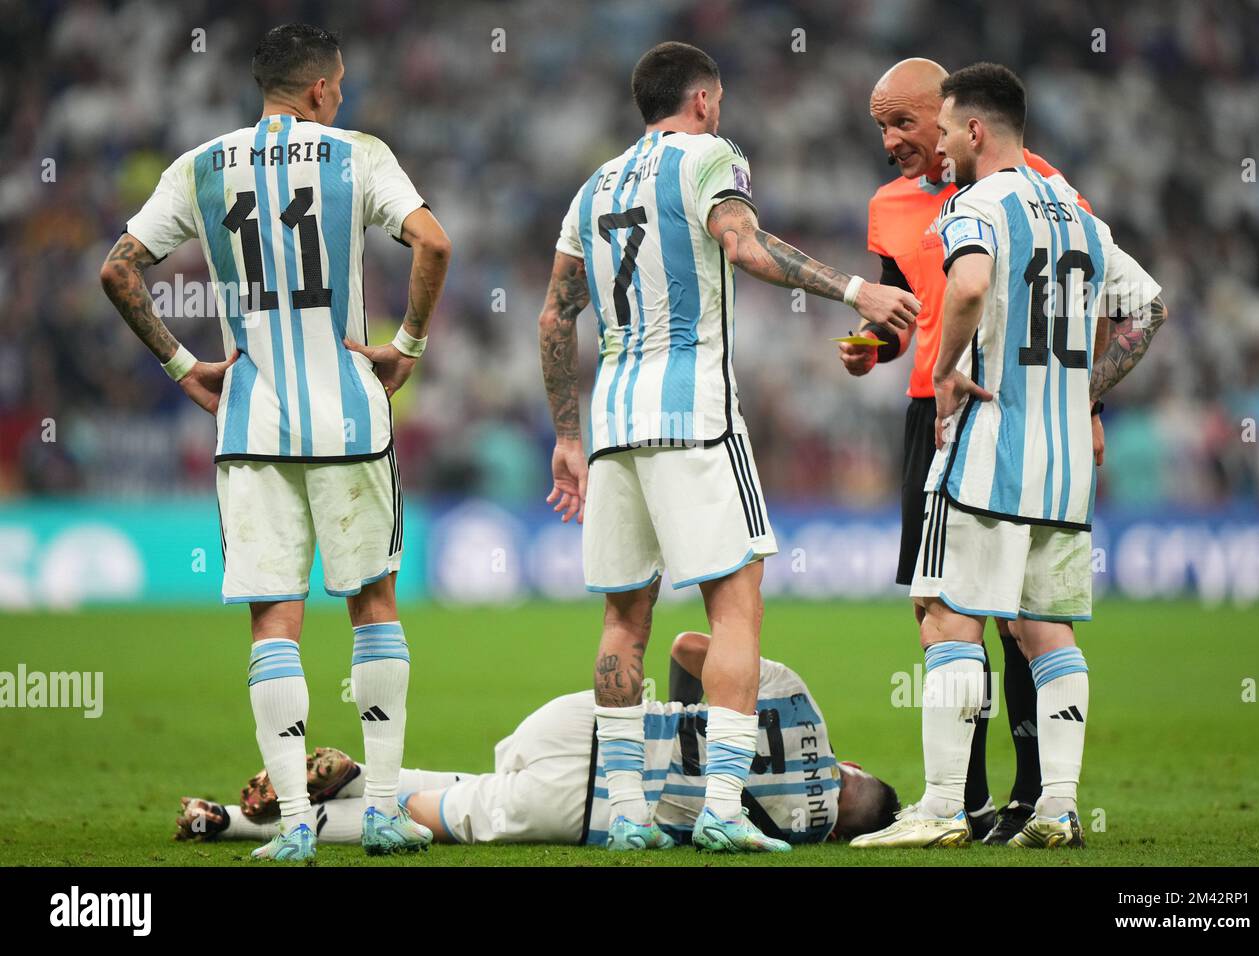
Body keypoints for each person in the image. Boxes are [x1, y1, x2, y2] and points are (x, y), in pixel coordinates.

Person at [537, 41, 919, 853]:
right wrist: (858, 289)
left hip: (612, 424)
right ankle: (719, 805)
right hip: (694, 414)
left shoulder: (593, 186)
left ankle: (630, 812)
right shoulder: (711, 155)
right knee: (736, 605)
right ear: (704, 101)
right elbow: (743, 246)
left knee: (623, 619)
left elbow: (551, 318)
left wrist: (568, 435)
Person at [100, 23, 452, 862]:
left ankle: (295, 822)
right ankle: (377, 814)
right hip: (350, 422)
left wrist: (184, 365)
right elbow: (434, 242)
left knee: (275, 621)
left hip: (250, 425)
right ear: (324, 90)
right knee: (372, 605)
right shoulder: (358, 154)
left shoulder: (200, 165)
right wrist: (408, 345)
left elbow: (118, 269)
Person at [851, 63, 1166, 849]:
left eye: (936, 128)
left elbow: (965, 291)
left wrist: (951, 364)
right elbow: (1148, 306)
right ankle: (1057, 806)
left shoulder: (976, 202)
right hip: (1059, 461)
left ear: (969, 129)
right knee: (1045, 626)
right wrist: (1082, 392)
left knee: (945, 612)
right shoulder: (1076, 215)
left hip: (985, 437)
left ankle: (943, 806)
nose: (925, 145)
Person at [175, 632, 901, 848]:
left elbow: (685, 646)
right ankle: (229, 824)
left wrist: (697, 722)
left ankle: (355, 773)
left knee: (472, 783)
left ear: (850, 765)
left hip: (589, 720)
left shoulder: (797, 697)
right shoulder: (802, 834)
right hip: (585, 807)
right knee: (429, 819)